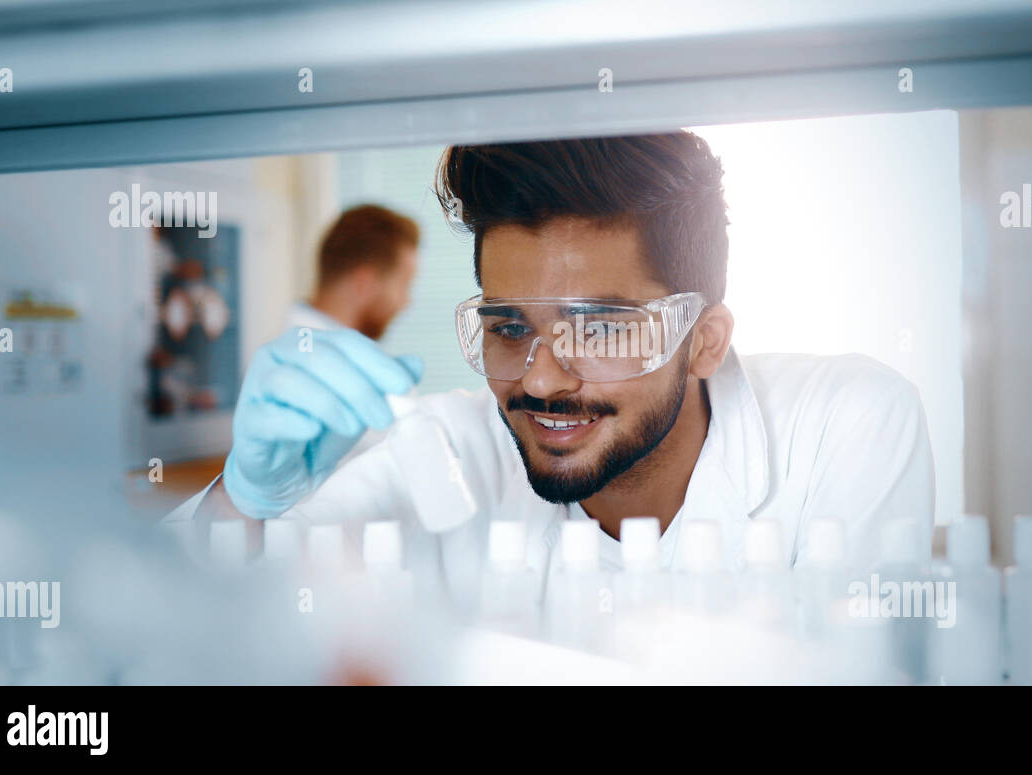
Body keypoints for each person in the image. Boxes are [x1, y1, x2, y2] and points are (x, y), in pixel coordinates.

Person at [168, 132, 934, 607]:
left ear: (704, 340)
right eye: (508, 326)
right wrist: (243, 498)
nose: (539, 380)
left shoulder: (848, 423)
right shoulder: (452, 450)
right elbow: (168, 614)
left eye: (598, 325)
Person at [288, 204, 419, 340]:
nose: (405, 302)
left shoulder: (297, 338)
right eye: (404, 285)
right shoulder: (305, 352)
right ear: (365, 283)